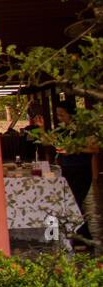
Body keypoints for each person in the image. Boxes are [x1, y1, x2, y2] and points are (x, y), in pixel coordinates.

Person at [53, 101, 95, 243]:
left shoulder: (83, 129)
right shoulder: (61, 130)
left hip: (81, 170)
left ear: (70, 114)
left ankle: (83, 238)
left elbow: (94, 149)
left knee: (75, 202)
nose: (59, 118)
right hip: (66, 169)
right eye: (58, 115)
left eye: (62, 115)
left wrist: (73, 150)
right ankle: (81, 237)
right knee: (70, 203)